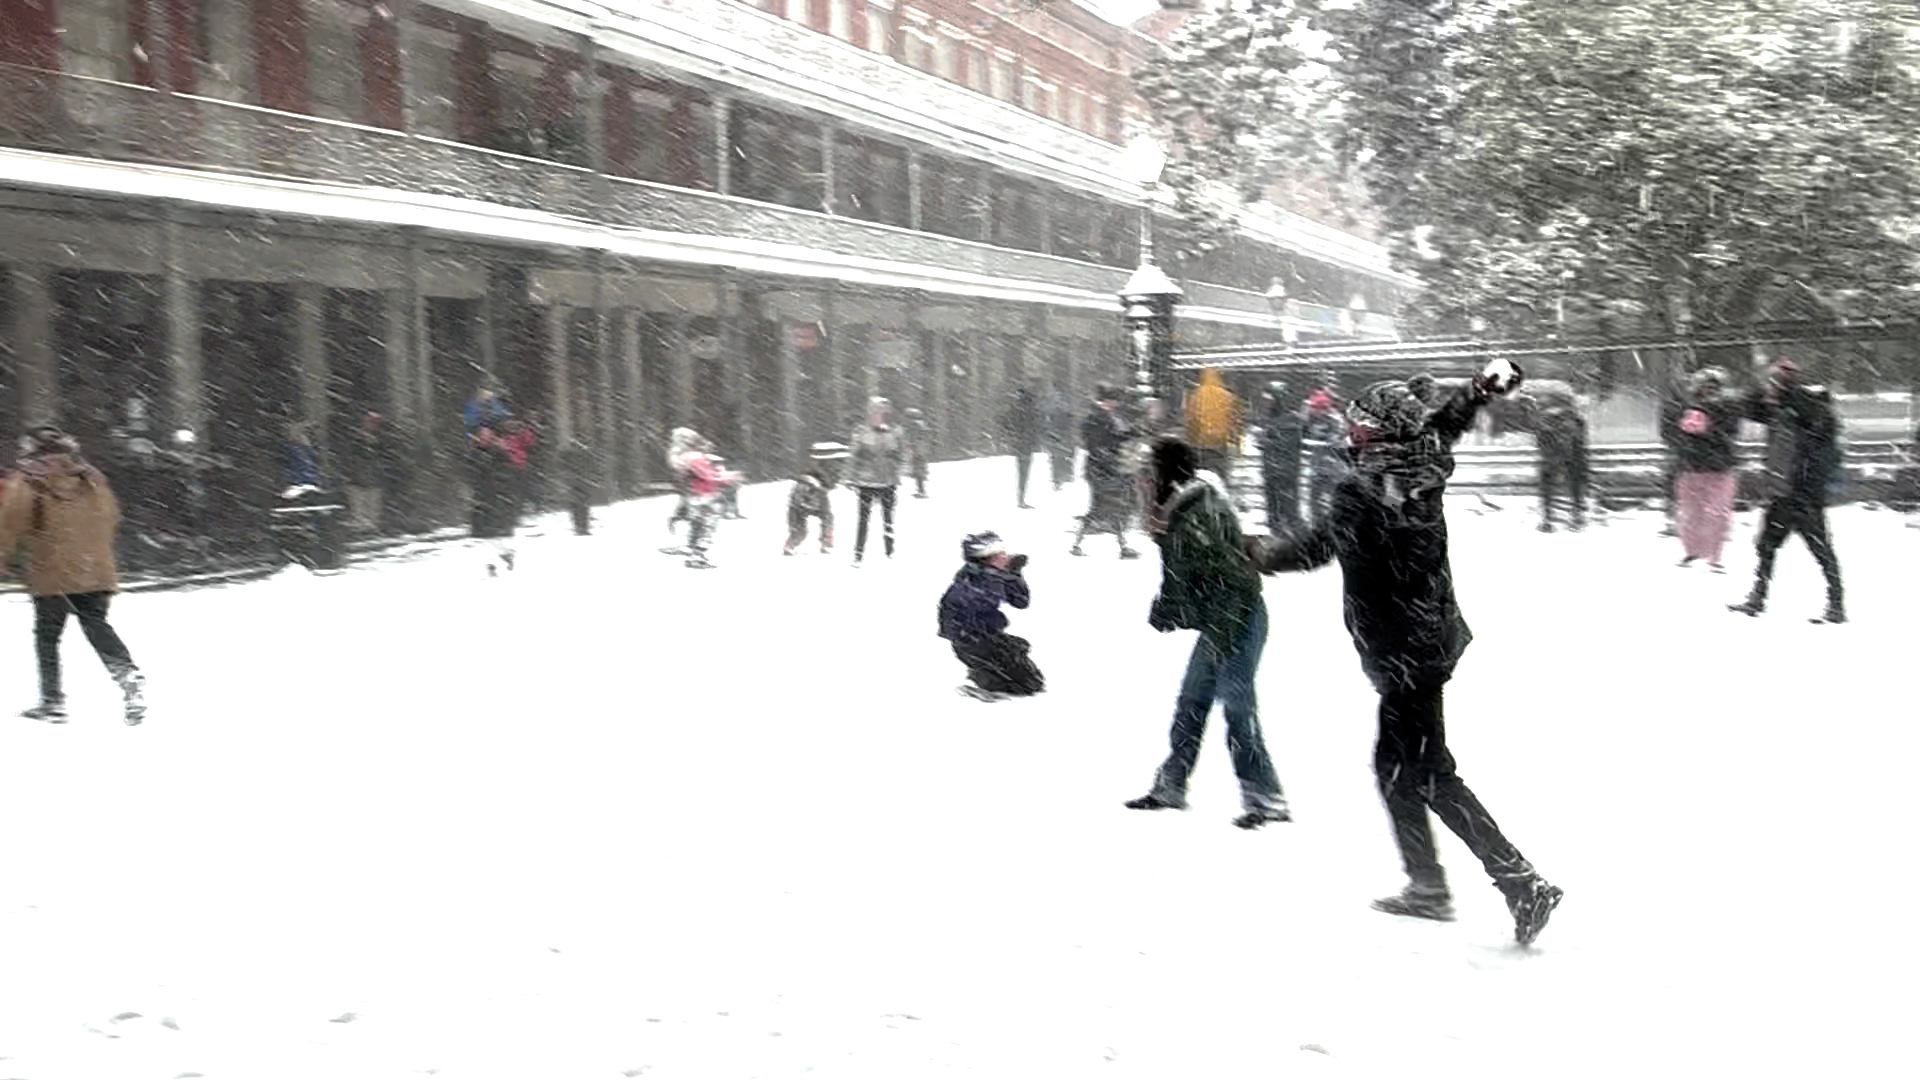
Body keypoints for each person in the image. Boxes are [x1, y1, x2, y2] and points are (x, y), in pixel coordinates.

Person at [1249, 364, 1563, 946]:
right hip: (1431, 635)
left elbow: (1317, 548)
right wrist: (1476, 392)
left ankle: (1510, 880)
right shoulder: (1421, 462)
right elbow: (1439, 425)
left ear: (1377, 431)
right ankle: (1439, 883)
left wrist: (1259, 553)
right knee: (1406, 771)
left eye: (1360, 424)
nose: (1352, 430)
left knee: (1425, 774)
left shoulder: (1363, 490)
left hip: (1401, 650)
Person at [1123, 438, 1289, 831]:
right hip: (1221, 619)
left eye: (1150, 472)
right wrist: (1167, 607)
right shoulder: (1181, 511)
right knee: (1192, 701)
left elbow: (1232, 577)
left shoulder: (1200, 516)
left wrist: (1224, 634)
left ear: (1168, 474)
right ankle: (1171, 787)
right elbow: (1184, 572)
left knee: (1237, 705)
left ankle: (1266, 798)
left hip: (1239, 618)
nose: (1144, 480)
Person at [0, 426, 146, 725]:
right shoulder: (91, 479)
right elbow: (111, 516)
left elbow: (9, 525)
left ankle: (52, 700)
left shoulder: (29, 481)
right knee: (95, 623)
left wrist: (2, 557)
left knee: (47, 636)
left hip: (51, 571)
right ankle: (125, 671)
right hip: (95, 567)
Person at [1729, 359, 1846, 623]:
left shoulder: (1812, 414)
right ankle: (1757, 597)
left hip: (1803, 496)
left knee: (1821, 551)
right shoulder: (1782, 411)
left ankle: (1837, 604)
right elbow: (1748, 408)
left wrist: (1784, 388)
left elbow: (1808, 417)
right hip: (1782, 494)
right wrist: (1765, 386)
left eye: (1778, 385)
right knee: (1766, 547)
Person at [938, 531, 1044, 701]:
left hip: (990, 636)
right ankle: (981, 678)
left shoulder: (993, 576)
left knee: (1035, 683)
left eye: (1003, 552)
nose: (1005, 557)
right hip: (970, 643)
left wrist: (1015, 574)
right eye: (998, 555)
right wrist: (1000, 576)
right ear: (984, 558)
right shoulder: (969, 580)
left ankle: (985, 673)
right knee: (1018, 689)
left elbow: (1021, 602)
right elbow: (979, 602)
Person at [1669, 368, 1739, 570]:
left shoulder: (1727, 408)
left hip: (1719, 468)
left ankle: (1714, 555)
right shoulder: (1687, 409)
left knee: (1718, 513)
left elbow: (1729, 432)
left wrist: (1709, 427)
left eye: (1713, 387)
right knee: (1691, 512)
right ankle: (1692, 551)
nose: (1709, 391)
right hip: (1692, 467)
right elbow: (1675, 433)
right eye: (1706, 387)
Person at [1071, 385, 1139, 559]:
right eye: (1112, 401)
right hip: (1101, 469)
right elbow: (1098, 445)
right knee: (1103, 507)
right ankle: (1120, 546)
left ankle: (1080, 544)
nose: (1114, 404)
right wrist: (1111, 458)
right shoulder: (1097, 419)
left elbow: (1111, 439)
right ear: (1105, 401)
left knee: (1106, 507)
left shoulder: (1100, 417)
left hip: (1102, 468)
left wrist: (1130, 434)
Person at [847, 397, 903, 566]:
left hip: (888, 481)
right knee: (863, 520)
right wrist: (849, 477)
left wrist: (896, 469)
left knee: (888, 518)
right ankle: (858, 553)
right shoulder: (862, 432)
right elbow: (853, 455)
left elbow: (901, 455)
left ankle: (889, 551)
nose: (879, 416)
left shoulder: (895, 432)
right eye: (876, 412)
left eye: (883, 413)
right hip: (866, 481)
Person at [668, 434, 738, 569]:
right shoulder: (697, 459)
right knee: (706, 527)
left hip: (698, 495)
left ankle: (693, 552)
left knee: (698, 525)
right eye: (707, 446)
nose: (710, 449)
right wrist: (726, 479)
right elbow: (707, 477)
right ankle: (696, 555)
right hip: (704, 496)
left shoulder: (693, 459)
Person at [1533, 393, 1590, 532]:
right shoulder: (1576, 420)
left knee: (1547, 480)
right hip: (1571, 461)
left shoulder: (1545, 421)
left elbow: (1542, 444)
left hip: (1556, 461)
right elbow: (1580, 443)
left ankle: (1548, 518)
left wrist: (1554, 459)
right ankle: (1576, 515)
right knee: (1575, 478)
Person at [1182, 367, 1245, 492]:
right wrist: (1236, 442)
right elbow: (1236, 422)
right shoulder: (1228, 397)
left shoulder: (1195, 397)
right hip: (1220, 445)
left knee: (1201, 476)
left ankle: (1204, 499)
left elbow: (1190, 420)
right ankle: (1221, 498)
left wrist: (1190, 441)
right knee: (1221, 476)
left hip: (1200, 445)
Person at [1257, 380, 1305, 530]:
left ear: (1279, 400)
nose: (1265, 404)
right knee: (1273, 512)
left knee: (1289, 512)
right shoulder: (1268, 420)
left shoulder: (1292, 420)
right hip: (1271, 471)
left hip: (1285, 473)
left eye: (1269, 400)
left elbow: (1288, 445)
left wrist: (1267, 441)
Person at [784, 442, 847, 555]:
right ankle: (793, 545)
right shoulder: (813, 475)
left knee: (825, 518)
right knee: (802, 528)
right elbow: (795, 507)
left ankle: (825, 542)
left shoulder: (821, 471)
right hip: (805, 499)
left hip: (811, 497)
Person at [344, 410, 398, 535]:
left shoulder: (382, 439)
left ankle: (371, 528)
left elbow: (385, 456)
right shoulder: (356, 438)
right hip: (358, 477)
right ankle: (362, 528)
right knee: (359, 506)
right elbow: (351, 456)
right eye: (370, 422)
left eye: (374, 423)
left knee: (373, 506)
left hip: (373, 477)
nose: (371, 425)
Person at [1302, 389, 1347, 525]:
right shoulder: (1313, 420)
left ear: (1323, 408)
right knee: (1314, 502)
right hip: (1318, 468)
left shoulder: (1335, 420)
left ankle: (1332, 526)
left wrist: (1315, 444)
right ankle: (1317, 526)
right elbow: (1304, 435)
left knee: (1330, 500)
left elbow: (1334, 442)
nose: (1313, 411)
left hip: (1333, 468)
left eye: (1315, 408)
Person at [1002, 386, 1042, 509]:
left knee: (1022, 471)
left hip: (1020, 444)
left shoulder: (1014, 410)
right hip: (1026, 444)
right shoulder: (1030, 410)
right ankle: (1021, 497)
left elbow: (1005, 424)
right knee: (1024, 471)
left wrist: (1011, 436)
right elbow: (1036, 427)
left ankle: (1021, 497)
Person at [1043, 387, 1075, 491]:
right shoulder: (1066, 404)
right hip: (1061, 434)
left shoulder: (1051, 404)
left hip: (1055, 434)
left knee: (1056, 458)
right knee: (1062, 456)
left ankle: (1058, 478)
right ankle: (1063, 476)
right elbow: (1069, 419)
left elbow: (1047, 419)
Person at [903, 406, 931, 499]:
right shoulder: (922, 425)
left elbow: (912, 438)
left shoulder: (914, 425)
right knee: (919, 468)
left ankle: (921, 490)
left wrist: (910, 446)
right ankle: (921, 489)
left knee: (918, 469)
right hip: (922, 449)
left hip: (917, 449)